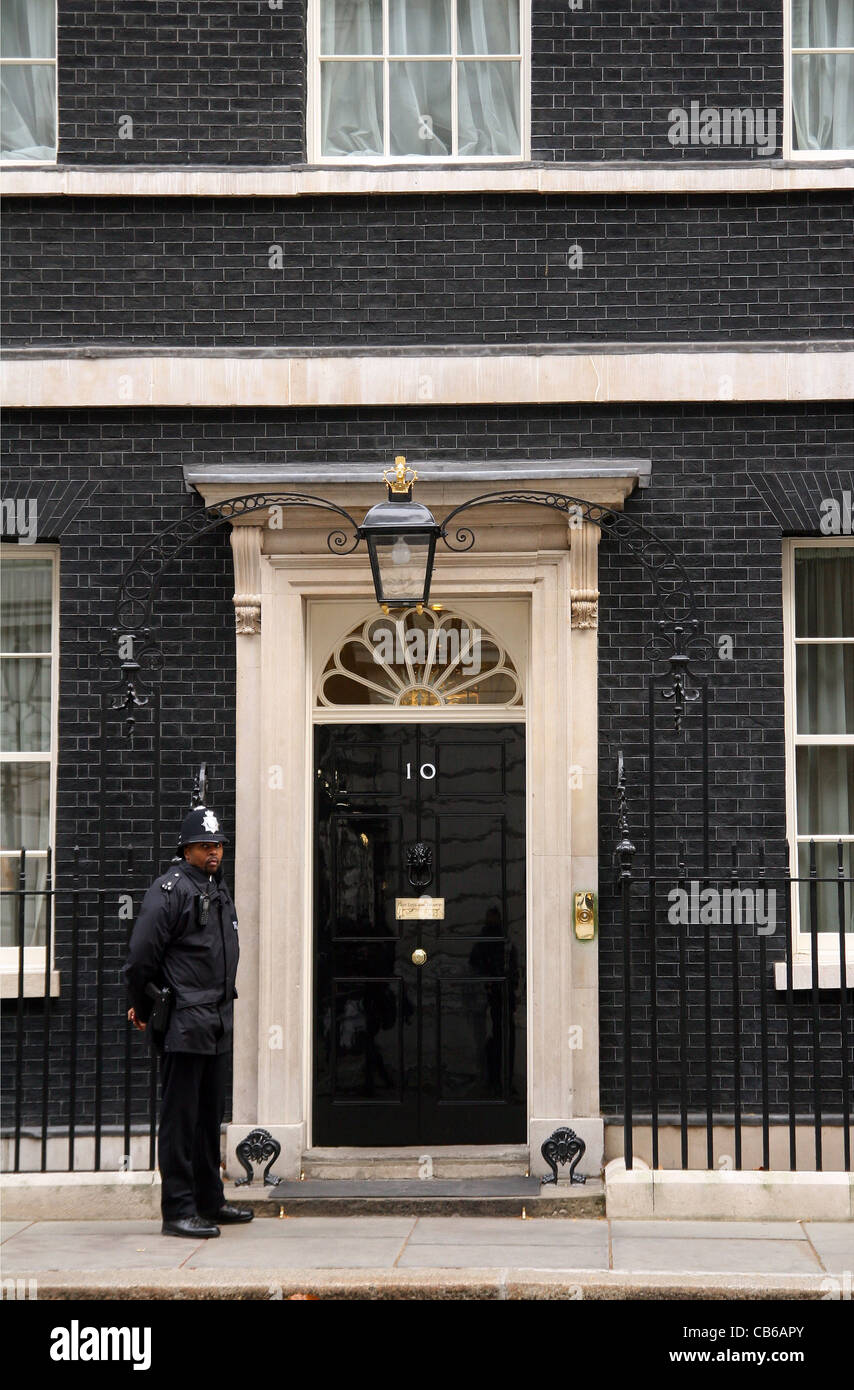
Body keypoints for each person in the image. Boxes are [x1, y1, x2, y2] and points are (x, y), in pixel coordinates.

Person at [123, 805, 253, 1238]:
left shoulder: (216, 888)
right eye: (205, 845)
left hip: (215, 1020)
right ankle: (177, 1209)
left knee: (207, 1118)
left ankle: (209, 1200)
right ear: (187, 848)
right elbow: (141, 957)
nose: (213, 852)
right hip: (183, 1022)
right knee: (180, 1119)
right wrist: (142, 1008)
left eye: (217, 845)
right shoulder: (170, 889)